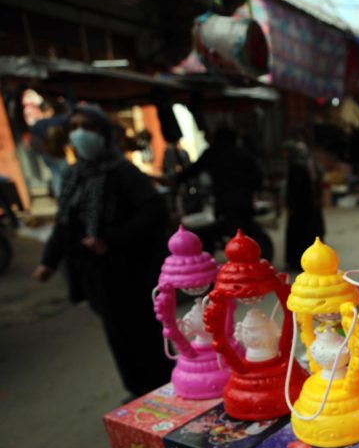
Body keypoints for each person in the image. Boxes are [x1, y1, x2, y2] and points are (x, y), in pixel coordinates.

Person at [33, 104, 172, 399]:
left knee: (142, 330)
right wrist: (49, 261)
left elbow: (154, 212)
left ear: (103, 134)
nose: (80, 133)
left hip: (131, 268)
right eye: (74, 127)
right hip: (96, 271)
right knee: (115, 331)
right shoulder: (74, 176)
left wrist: (111, 238)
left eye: (88, 126)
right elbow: (65, 221)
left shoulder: (123, 172)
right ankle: (137, 389)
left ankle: (162, 386)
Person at [173, 126, 271, 258]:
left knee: (236, 238)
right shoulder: (243, 153)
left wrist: (175, 179)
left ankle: (244, 266)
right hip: (245, 202)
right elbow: (258, 177)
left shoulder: (213, 153)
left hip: (226, 203)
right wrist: (250, 190)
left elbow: (193, 170)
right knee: (243, 232)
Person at [282, 138, 325, 272]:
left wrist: (292, 206)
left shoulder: (297, 167)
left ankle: (298, 261)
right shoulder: (303, 164)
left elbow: (296, 190)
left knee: (300, 236)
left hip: (301, 208)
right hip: (308, 207)